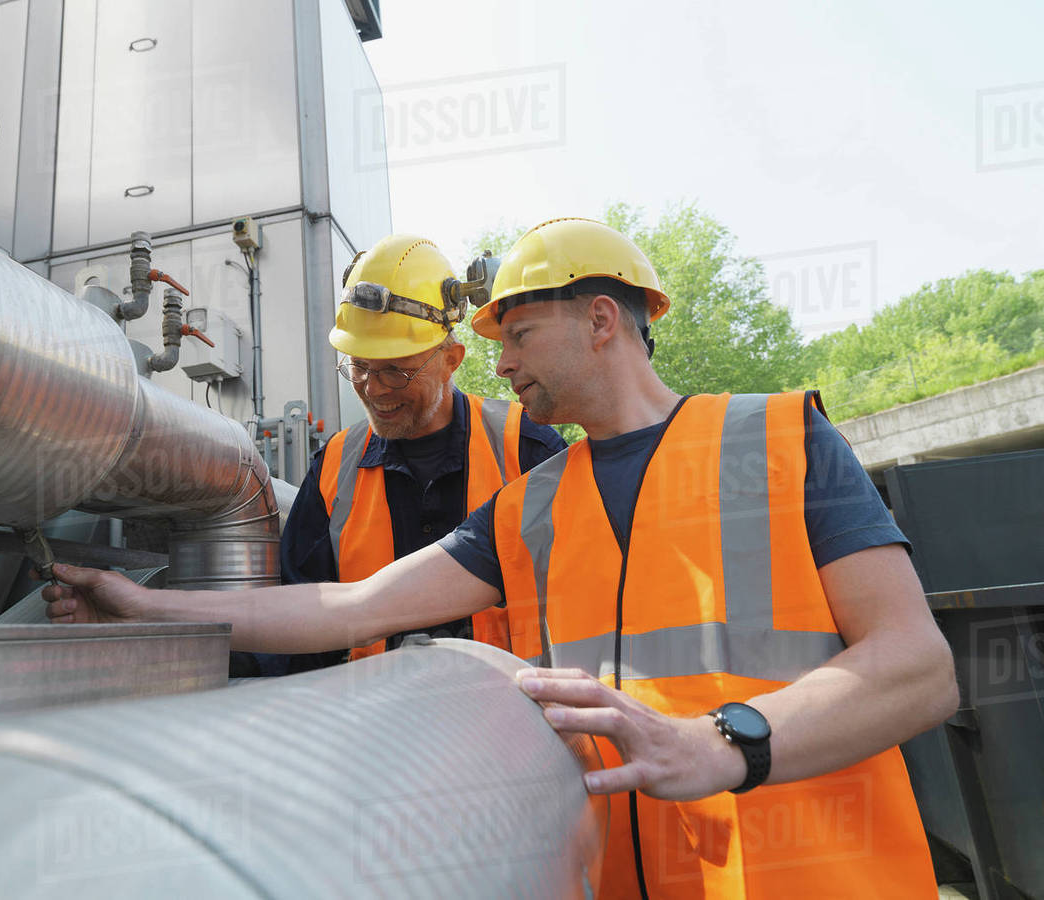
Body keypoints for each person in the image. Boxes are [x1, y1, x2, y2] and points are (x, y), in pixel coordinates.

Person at [46, 218, 958, 899]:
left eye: (517, 337)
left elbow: (917, 670)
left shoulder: (783, 439)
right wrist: (141, 602)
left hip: (813, 875)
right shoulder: (531, 506)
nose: (502, 367)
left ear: (602, 319)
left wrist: (719, 743)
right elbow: (348, 608)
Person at [239, 233, 565, 677]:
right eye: (359, 366)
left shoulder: (527, 450)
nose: (373, 389)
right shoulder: (334, 469)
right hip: (376, 733)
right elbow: (295, 645)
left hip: (515, 724)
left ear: (451, 359)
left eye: (396, 370)